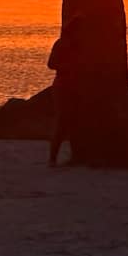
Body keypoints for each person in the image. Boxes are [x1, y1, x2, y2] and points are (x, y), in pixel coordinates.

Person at [47, 17, 84, 167]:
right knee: (62, 122)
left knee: (76, 121)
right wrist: (68, 67)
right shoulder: (62, 44)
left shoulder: (82, 46)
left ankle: (71, 155)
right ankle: (53, 158)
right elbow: (51, 64)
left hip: (76, 87)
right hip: (63, 86)